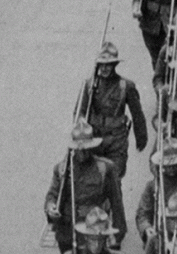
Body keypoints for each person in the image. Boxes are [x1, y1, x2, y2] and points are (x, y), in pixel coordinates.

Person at [44, 121, 127, 253]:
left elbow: (116, 202)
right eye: (78, 149)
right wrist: (51, 207)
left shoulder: (105, 168)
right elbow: (52, 195)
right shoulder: (62, 169)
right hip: (68, 231)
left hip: (95, 228)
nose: (82, 152)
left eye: (86, 148)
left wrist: (118, 235)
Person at [80, 41, 148, 184]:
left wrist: (141, 137)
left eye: (108, 64)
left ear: (114, 65)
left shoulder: (126, 86)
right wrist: (81, 133)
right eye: (102, 64)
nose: (105, 68)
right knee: (94, 181)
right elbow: (80, 112)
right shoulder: (89, 85)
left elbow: (137, 114)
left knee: (113, 181)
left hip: (116, 141)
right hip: (95, 140)